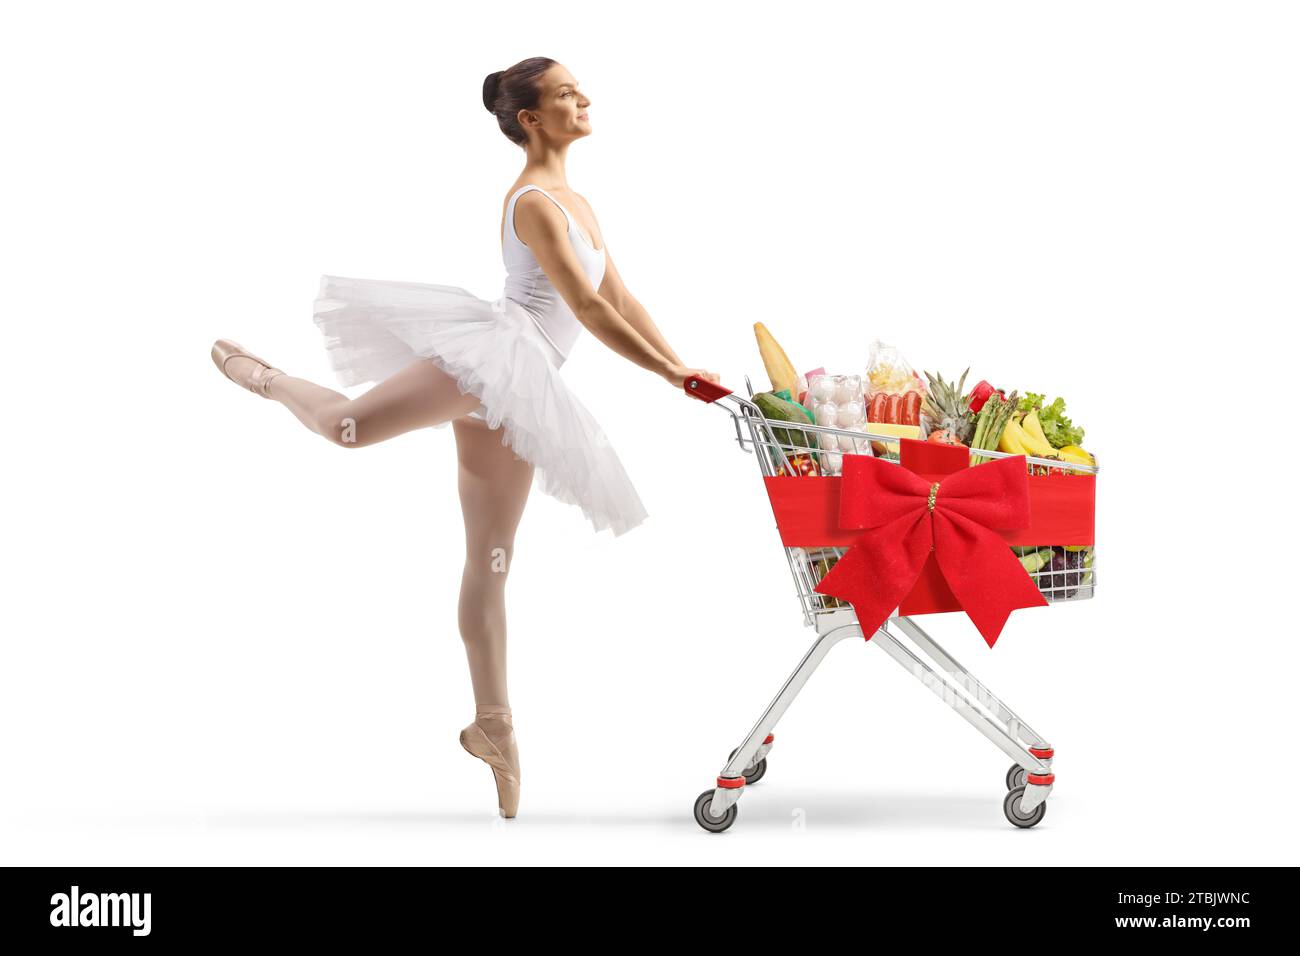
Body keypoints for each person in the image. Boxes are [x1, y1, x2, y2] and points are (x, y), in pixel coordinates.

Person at [210, 57, 720, 819]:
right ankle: (268, 377)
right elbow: (583, 306)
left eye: (581, 88)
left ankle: (493, 726)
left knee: (491, 561)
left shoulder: (580, 201)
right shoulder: (536, 202)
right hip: (495, 362)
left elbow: (620, 294)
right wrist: (670, 378)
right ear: (531, 120)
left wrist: (681, 361)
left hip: (523, 392)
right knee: (347, 428)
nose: (585, 99)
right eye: (565, 94)